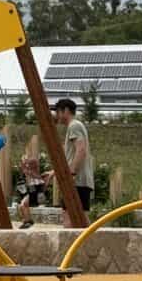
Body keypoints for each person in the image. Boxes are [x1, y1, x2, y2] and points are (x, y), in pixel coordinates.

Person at [46, 97, 94, 227]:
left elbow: (81, 150)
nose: (56, 115)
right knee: (81, 220)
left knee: (69, 219)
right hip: (80, 180)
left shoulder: (74, 126)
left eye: (58, 111)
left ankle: (71, 247)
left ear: (65, 111)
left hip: (77, 180)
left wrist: (71, 174)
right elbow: (72, 156)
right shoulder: (75, 127)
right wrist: (54, 171)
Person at [16, 155, 45, 230]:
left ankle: (28, 221)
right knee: (20, 206)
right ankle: (26, 220)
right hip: (32, 190)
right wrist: (23, 163)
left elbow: (39, 179)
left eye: (29, 164)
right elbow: (23, 168)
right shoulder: (28, 172)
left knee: (24, 204)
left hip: (36, 191)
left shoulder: (36, 173)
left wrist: (28, 171)